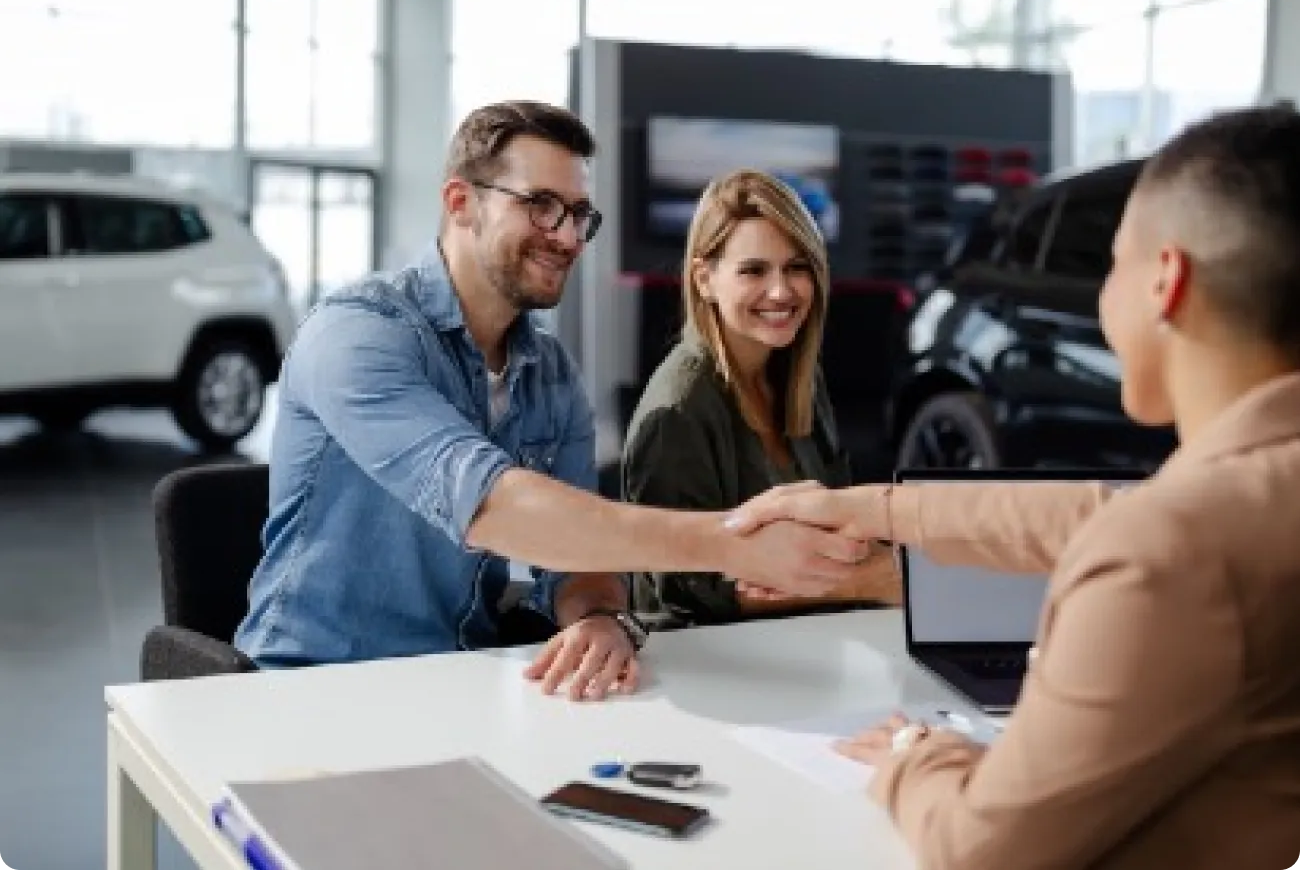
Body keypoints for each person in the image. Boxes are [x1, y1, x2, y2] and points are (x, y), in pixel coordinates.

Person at [728, 105, 1300, 867]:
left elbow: (983, 850)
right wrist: (875, 507)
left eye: (1112, 267)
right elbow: (1105, 509)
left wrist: (913, 753)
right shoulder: (1246, 498)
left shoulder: (1173, 553)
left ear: (1165, 280)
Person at [234, 101, 871, 700]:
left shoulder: (551, 373)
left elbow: (579, 565)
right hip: (315, 686)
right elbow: (490, 507)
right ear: (461, 202)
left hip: (462, 681)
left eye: (577, 214)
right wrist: (731, 544)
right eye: (541, 206)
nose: (566, 237)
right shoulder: (359, 334)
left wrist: (599, 618)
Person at [622, 169, 900, 624]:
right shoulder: (677, 411)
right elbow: (693, 598)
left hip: (809, 648)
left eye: (797, 267)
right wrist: (876, 580)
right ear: (704, 279)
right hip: (713, 672)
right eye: (754, 270)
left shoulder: (797, 377)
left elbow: (844, 521)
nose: (782, 291)